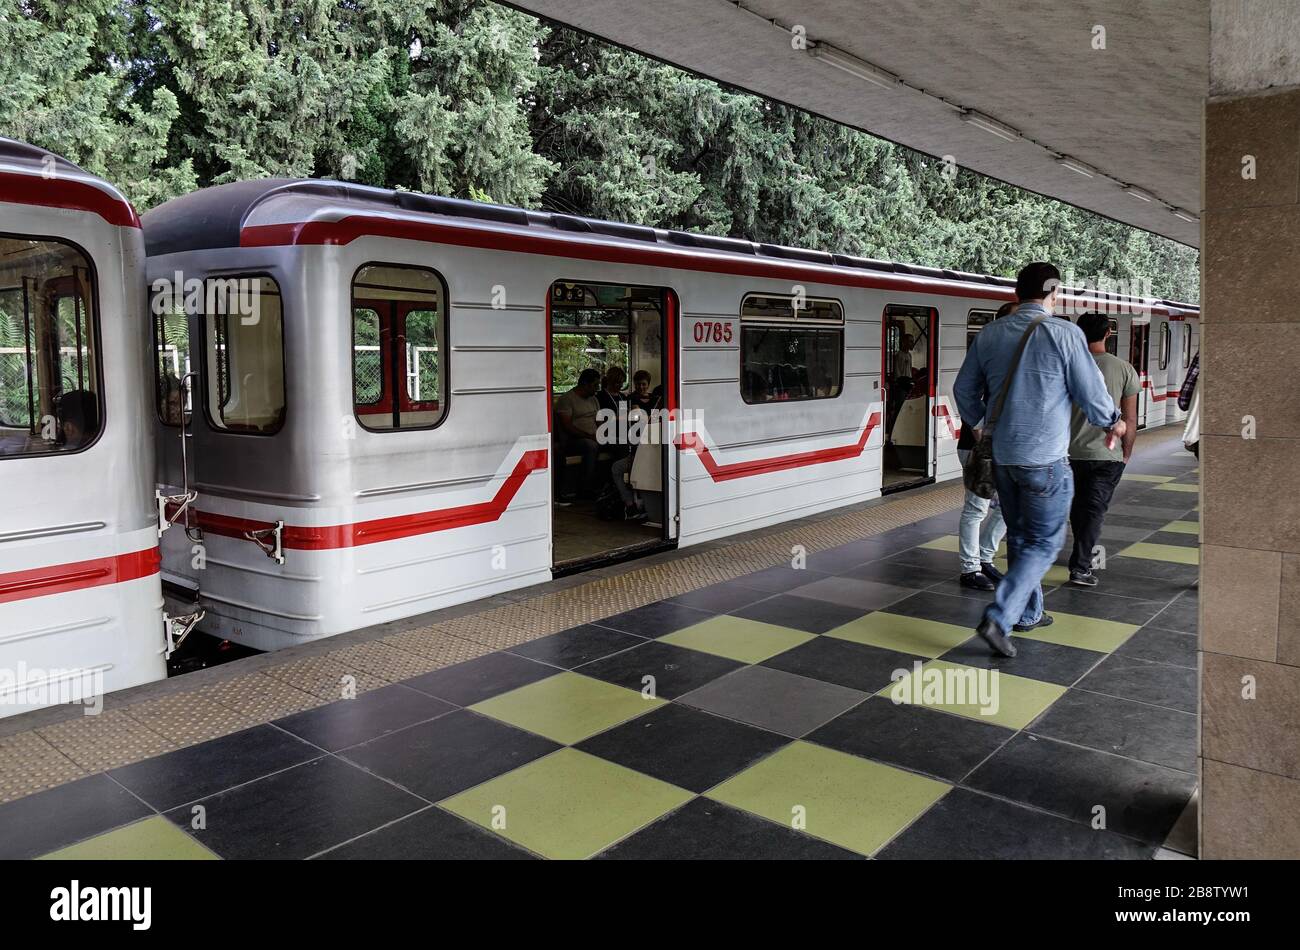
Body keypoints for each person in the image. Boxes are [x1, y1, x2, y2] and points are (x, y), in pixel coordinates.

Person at [954, 262, 1126, 658]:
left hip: (1003, 458)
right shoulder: (1064, 333)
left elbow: (963, 388)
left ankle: (1029, 612)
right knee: (1045, 542)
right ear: (1054, 292)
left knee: (1018, 537)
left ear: (1016, 292)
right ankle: (1000, 617)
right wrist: (1113, 423)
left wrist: (981, 424)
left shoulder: (991, 333)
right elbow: (1092, 394)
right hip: (1045, 460)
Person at [1066, 312, 1139, 587]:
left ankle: (1079, 554)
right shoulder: (1124, 369)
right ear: (1108, 333)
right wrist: (1126, 452)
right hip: (1106, 455)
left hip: (1068, 452)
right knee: (1094, 510)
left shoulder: (1069, 365)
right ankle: (1081, 566)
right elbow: (1130, 418)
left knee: (1078, 507)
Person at [955, 301, 1015, 590]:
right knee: (976, 508)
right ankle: (970, 568)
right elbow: (964, 391)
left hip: (1004, 446)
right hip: (978, 446)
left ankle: (985, 558)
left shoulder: (1011, 357)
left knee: (1008, 507)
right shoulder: (986, 355)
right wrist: (980, 428)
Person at [555, 368, 602, 499]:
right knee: (591, 446)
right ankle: (585, 489)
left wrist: (603, 434)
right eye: (595, 385)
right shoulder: (567, 399)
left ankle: (609, 486)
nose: (597, 388)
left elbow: (599, 421)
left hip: (594, 436)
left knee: (620, 443)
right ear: (585, 384)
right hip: (574, 439)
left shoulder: (594, 399)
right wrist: (590, 436)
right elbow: (567, 426)